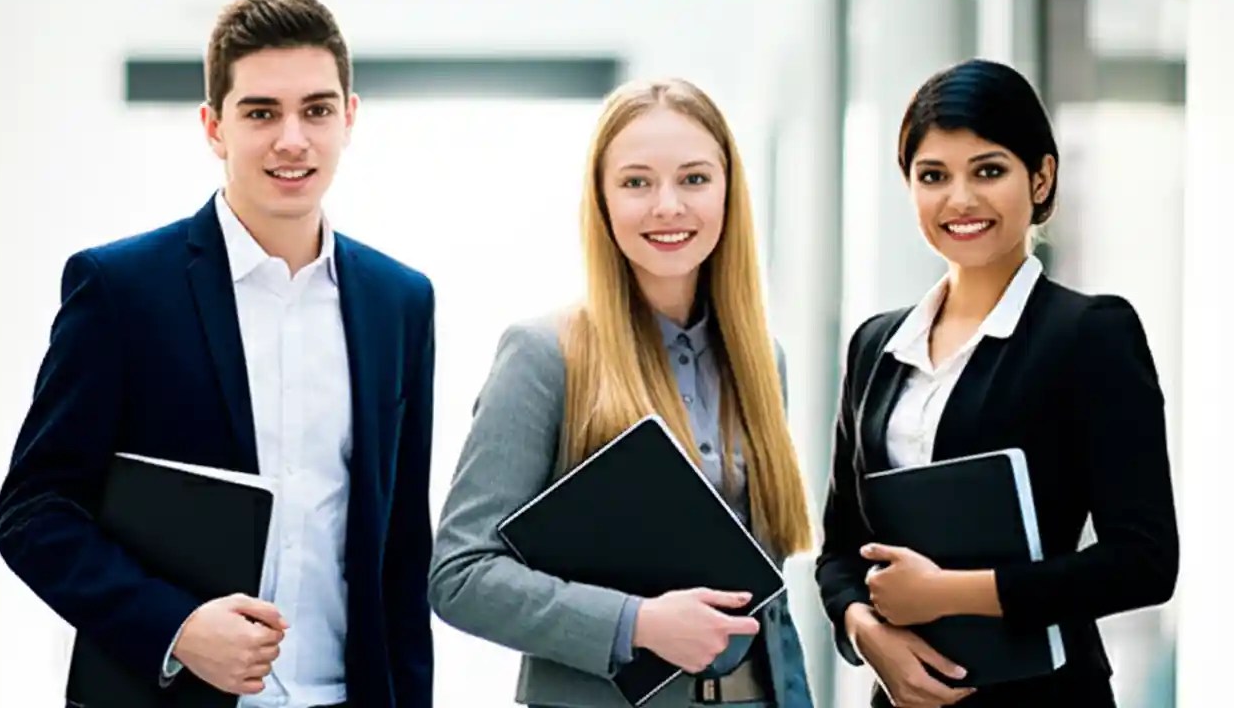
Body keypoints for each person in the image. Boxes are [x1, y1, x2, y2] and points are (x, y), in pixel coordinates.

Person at [0, 0, 435, 707]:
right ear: (214, 127)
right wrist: (175, 627)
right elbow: (33, 513)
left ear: (349, 118)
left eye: (317, 110)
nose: (292, 139)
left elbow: (402, 550)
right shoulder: (121, 289)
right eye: (261, 112)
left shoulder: (401, 301)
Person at [428, 78, 815, 708]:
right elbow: (460, 577)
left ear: (728, 192)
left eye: (694, 179)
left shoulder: (761, 361)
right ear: (603, 201)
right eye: (637, 182)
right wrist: (637, 623)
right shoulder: (544, 354)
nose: (668, 206)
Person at [815, 58, 1179, 708]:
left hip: (1045, 696)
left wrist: (949, 593)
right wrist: (867, 631)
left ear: (1041, 177)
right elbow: (839, 553)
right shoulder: (876, 347)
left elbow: (1143, 561)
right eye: (933, 176)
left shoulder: (1089, 333)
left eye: (988, 170)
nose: (960, 199)